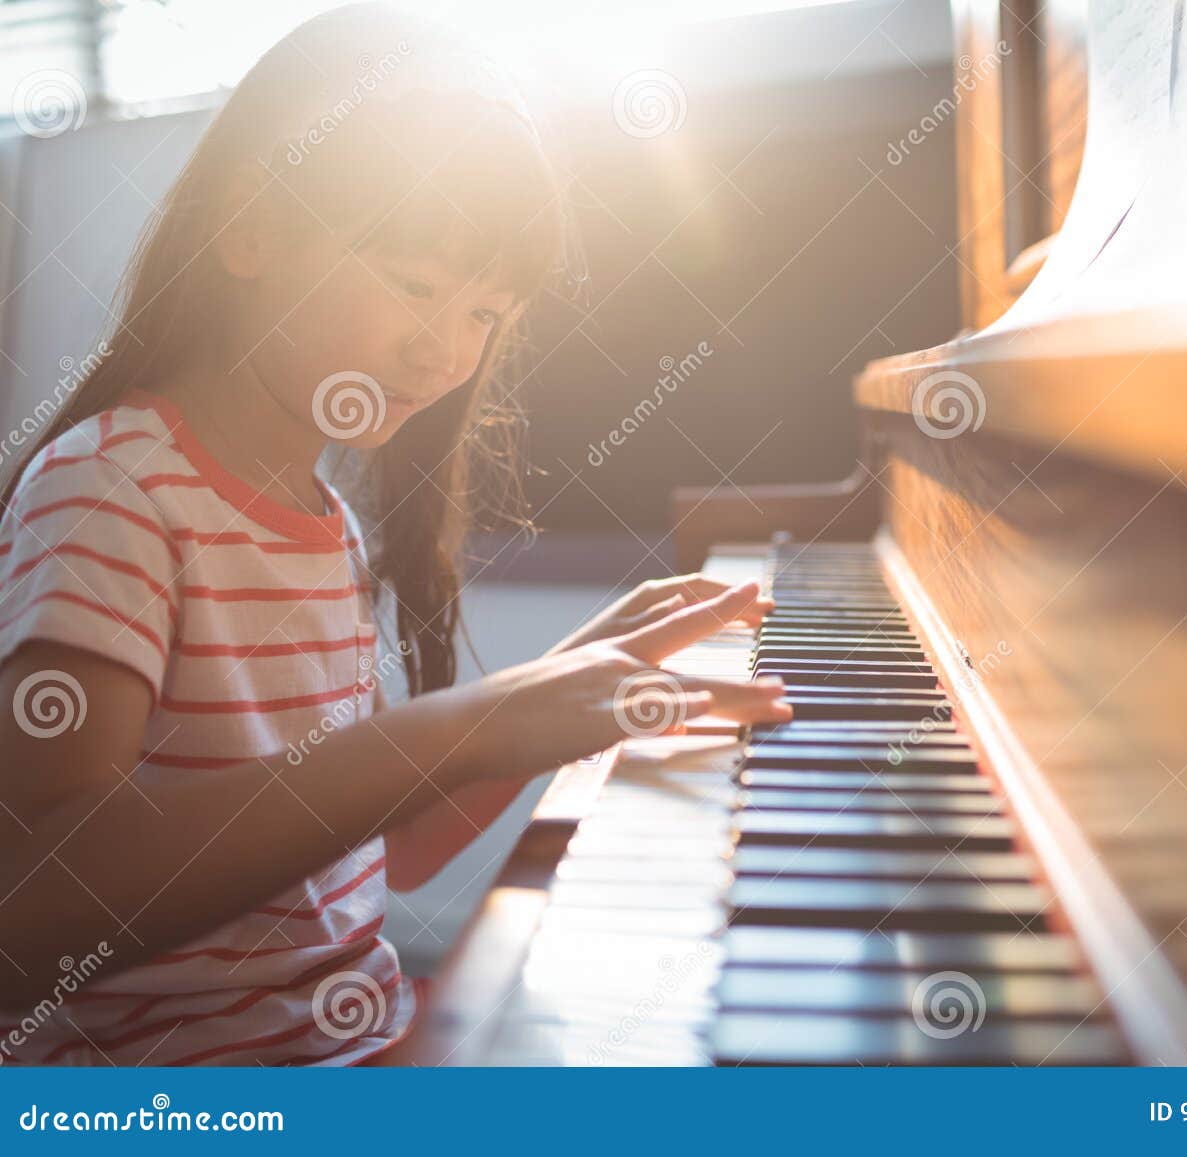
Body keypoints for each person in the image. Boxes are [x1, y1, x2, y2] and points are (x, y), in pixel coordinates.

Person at [0, 3, 787, 1065]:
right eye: (415, 285)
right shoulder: (112, 489)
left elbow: (395, 843)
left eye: (483, 314)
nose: (444, 353)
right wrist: (474, 723)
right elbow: (37, 903)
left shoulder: (324, 525)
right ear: (251, 228)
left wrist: (559, 684)